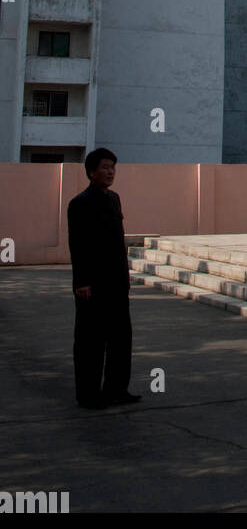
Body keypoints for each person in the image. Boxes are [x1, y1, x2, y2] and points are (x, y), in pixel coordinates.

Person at [67, 148, 140, 409]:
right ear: (91, 172)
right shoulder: (80, 204)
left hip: (117, 283)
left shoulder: (114, 200)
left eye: (113, 168)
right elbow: (78, 246)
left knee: (121, 339)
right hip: (92, 285)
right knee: (91, 341)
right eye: (105, 167)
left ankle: (117, 389)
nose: (110, 172)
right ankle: (88, 394)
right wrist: (81, 283)